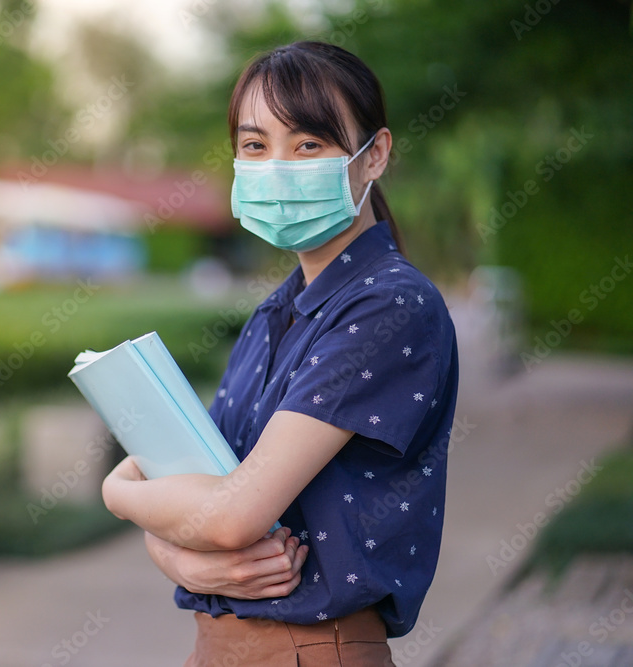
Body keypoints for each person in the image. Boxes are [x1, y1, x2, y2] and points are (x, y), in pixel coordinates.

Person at [102, 40, 459, 666]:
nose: (278, 165)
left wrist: (115, 494)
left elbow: (231, 515)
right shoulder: (278, 310)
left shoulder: (388, 309)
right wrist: (189, 560)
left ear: (373, 155)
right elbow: (197, 494)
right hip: (219, 647)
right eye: (255, 145)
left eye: (310, 144)